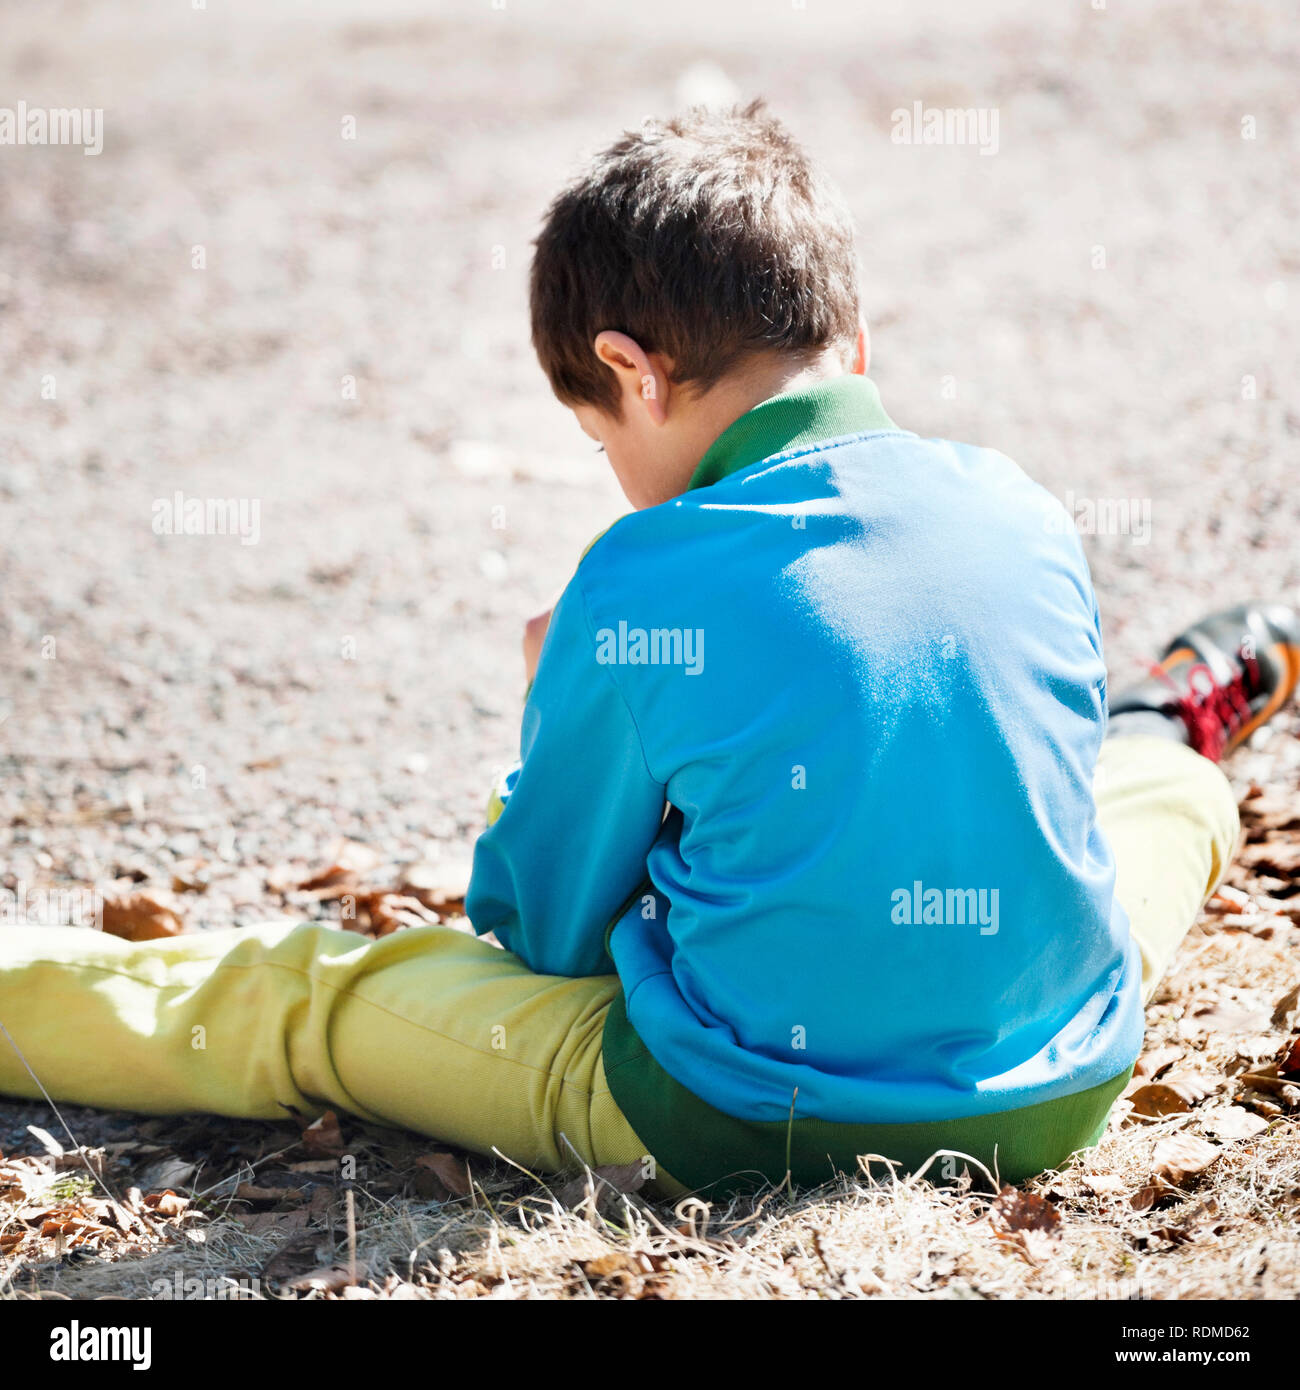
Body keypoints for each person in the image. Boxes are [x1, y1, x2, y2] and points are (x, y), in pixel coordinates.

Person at [2, 102, 1296, 1199]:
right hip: (1062, 1083)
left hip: (747, 1112)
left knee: (299, 996)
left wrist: (545, 713)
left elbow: (543, 929)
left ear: (634, 370)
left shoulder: (640, 581)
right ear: (851, 337)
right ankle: (1173, 730)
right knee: (1126, 823)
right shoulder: (1021, 504)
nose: (620, 476)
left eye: (599, 438)